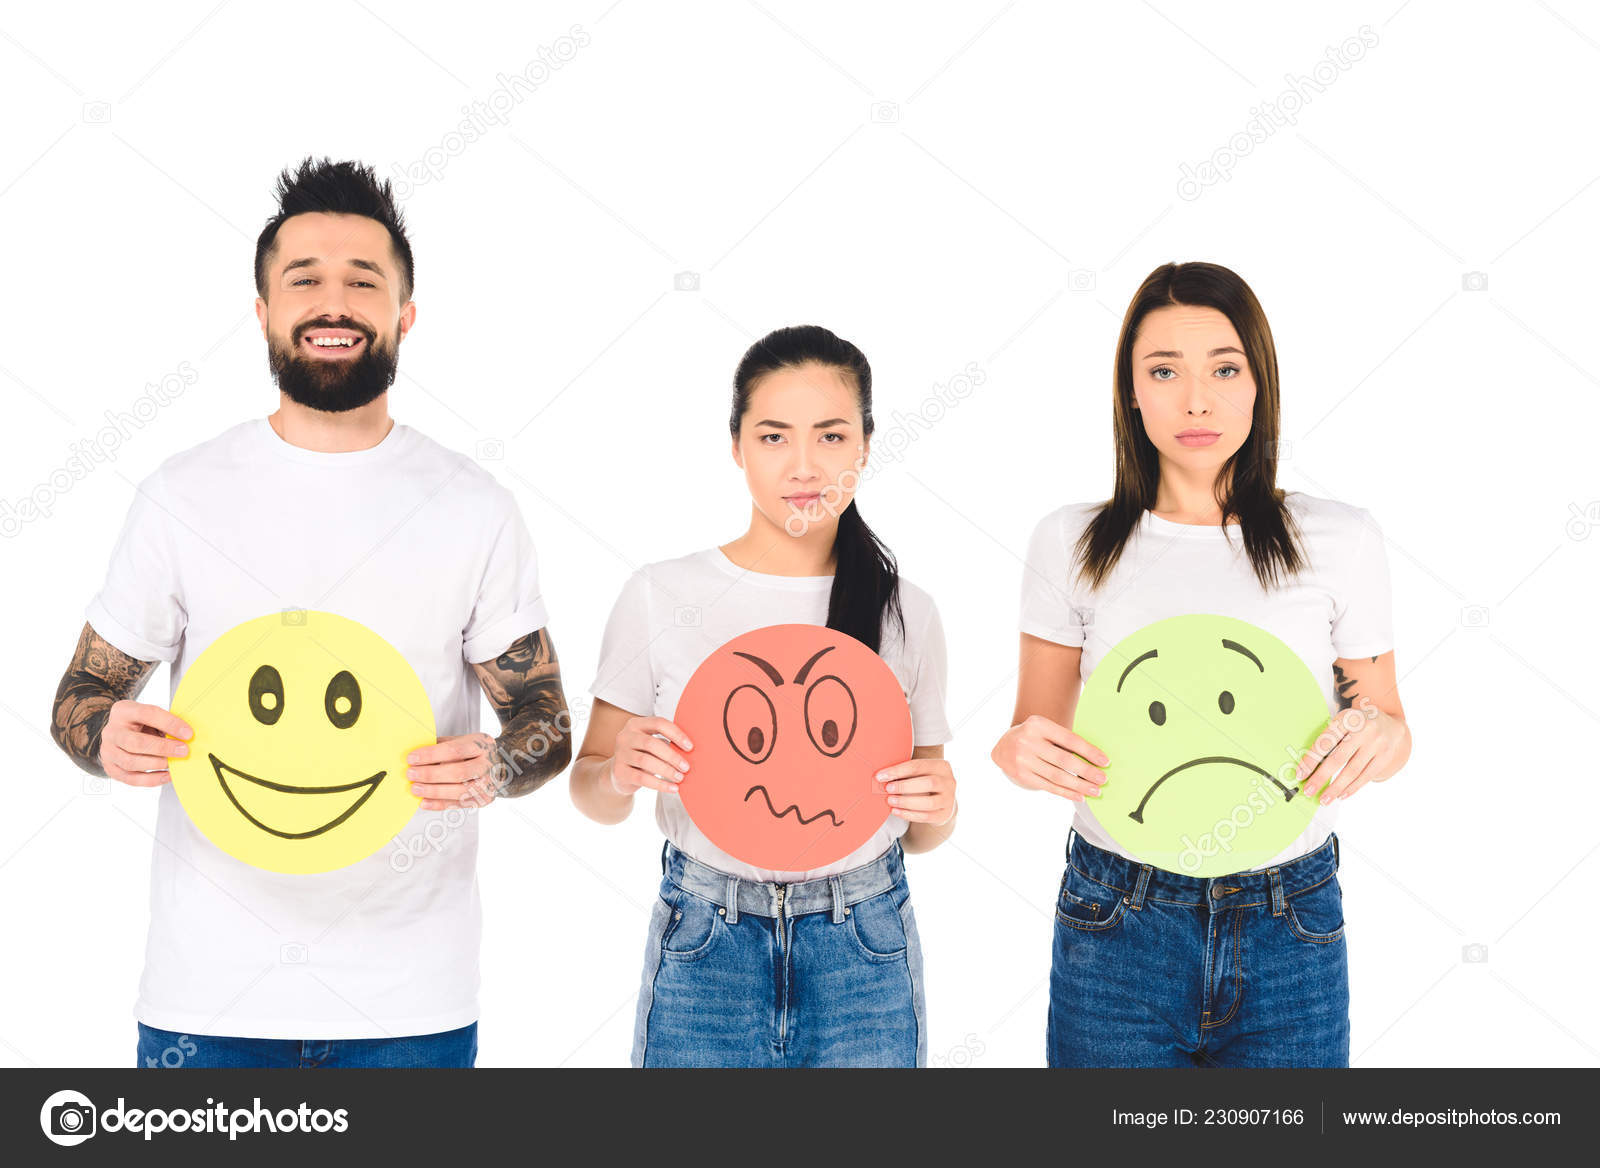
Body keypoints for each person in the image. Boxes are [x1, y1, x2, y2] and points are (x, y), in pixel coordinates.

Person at [49, 157, 571, 1069]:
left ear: (405, 315)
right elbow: (82, 696)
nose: (334, 304)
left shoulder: (472, 505)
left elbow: (547, 720)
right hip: (205, 1004)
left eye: (363, 283)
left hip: (411, 1007)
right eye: (305, 281)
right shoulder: (182, 494)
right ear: (262, 312)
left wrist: (499, 763)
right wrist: (105, 738)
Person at [990, 261, 1412, 1068]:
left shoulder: (1341, 539)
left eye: (1224, 368)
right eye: (1164, 372)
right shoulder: (1069, 543)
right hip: (1117, 916)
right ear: (1131, 392)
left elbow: (1388, 723)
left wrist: (1379, 741)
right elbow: (1030, 733)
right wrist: (1019, 753)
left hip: (1291, 918)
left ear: (1259, 384)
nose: (1196, 400)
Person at [570, 324, 956, 1067]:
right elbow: (590, 790)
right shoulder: (661, 594)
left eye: (832, 437)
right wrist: (619, 769)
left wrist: (940, 803)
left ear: (866, 447)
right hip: (707, 938)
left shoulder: (909, 611)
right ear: (737, 446)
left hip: (864, 942)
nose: (804, 465)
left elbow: (925, 828)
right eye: (775, 437)